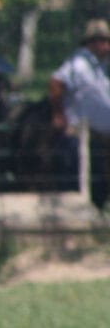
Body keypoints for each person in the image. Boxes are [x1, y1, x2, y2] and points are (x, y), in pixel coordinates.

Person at [47, 18, 110, 208]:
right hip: (80, 134)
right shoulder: (78, 63)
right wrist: (58, 114)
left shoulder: (100, 66)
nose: (106, 46)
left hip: (101, 137)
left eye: (107, 40)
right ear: (90, 42)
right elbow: (56, 82)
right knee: (82, 178)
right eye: (101, 41)